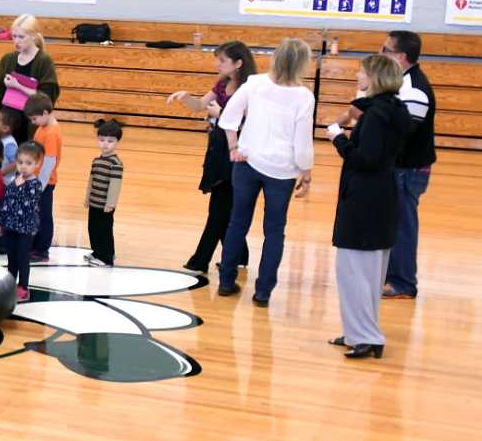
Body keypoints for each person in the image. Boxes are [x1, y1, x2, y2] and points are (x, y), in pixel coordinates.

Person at [217, 37, 317, 305]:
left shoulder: (255, 83)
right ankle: (263, 292)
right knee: (274, 231)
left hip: (247, 162)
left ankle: (226, 282)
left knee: (237, 222)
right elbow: (302, 142)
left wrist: (233, 147)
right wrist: (306, 171)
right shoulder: (304, 96)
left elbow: (227, 118)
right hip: (282, 171)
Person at [326, 54, 412, 360]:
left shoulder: (376, 116)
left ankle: (366, 336)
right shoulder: (391, 108)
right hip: (380, 197)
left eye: (361, 73)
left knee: (354, 271)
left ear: (374, 77)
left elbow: (365, 159)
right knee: (370, 272)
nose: (357, 77)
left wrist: (338, 138)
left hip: (364, 199)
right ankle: (359, 332)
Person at [167, 41, 257, 276]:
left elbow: (250, 123)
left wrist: (221, 114)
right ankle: (239, 255)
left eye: (222, 60)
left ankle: (200, 260)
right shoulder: (221, 84)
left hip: (235, 152)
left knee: (219, 208)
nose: (217, 64)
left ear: (238, 64)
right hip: (217, 150)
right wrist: (185, 96)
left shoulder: (250, 90)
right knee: (224, 206)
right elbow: (199, 106)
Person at [382, 30, 436, 300]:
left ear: (401, 56)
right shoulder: (401, 82)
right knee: (394, 221)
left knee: (402, 224)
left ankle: (403, 282)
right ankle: (392, 275)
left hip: (409, 169)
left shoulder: (413, 89)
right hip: (401, 167)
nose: (381, 54)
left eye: (386, 49)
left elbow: (403, 135)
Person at [0, 14, 62, 113]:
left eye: (21, 37)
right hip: (7, 121)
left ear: (33, 36)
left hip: (30, 120)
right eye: (14, 36)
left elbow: (46, 98)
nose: (16, 41)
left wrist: (18, 86)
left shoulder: (44, 61)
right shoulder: (8, 58)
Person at [0, 142, 47, 300]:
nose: (23, 167)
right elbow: (7, 201)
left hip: (25, 228)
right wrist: (1, 222)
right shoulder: (15, 179)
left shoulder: (35, 184)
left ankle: (23, 287)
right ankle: (10, 282)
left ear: (37, 164)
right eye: (20, 163)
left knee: (22, 257)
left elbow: (29, 204)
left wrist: (19, 187)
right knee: (11, 256)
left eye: (28, 163)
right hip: (10, 226)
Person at [23, 94, 62, 262]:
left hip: (44, 183)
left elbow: (49, 162)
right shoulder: (43, 128)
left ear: (46, 113)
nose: (33, 122)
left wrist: (40, 185)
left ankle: (42, 250)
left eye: (34, 118)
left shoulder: (52, 133)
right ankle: (35, 245)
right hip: (35, 179)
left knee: (44, 216)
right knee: (36, 214)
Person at [85, 118, 125, 267]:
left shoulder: (116, 164)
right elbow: (91, 180)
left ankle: (107, 257)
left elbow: (115, 186)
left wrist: (111, 203)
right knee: (93, 228)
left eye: (110, 141)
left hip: (105, 206)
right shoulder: (96, 161)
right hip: (94, 203)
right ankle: (97, 252)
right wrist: (87, 198)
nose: (105, 144)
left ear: (116, 142)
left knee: (105, 231)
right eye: (102, 140)